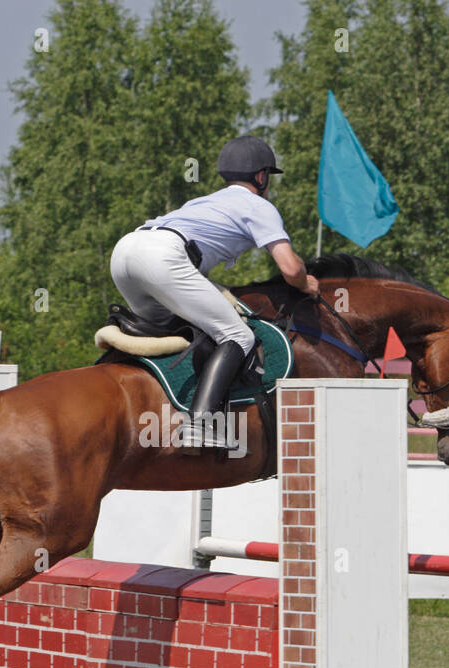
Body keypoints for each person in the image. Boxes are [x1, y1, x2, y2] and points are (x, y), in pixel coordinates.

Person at [110, 135, 320, 451]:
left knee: (170, 333)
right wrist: (307, 284)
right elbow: (290, 269)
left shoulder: (203, 202)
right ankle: (198, 424)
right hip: (164, 256)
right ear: (261, 177)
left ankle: (137, 401)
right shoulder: (259, 206)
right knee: (238, 337)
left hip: (125, 251)